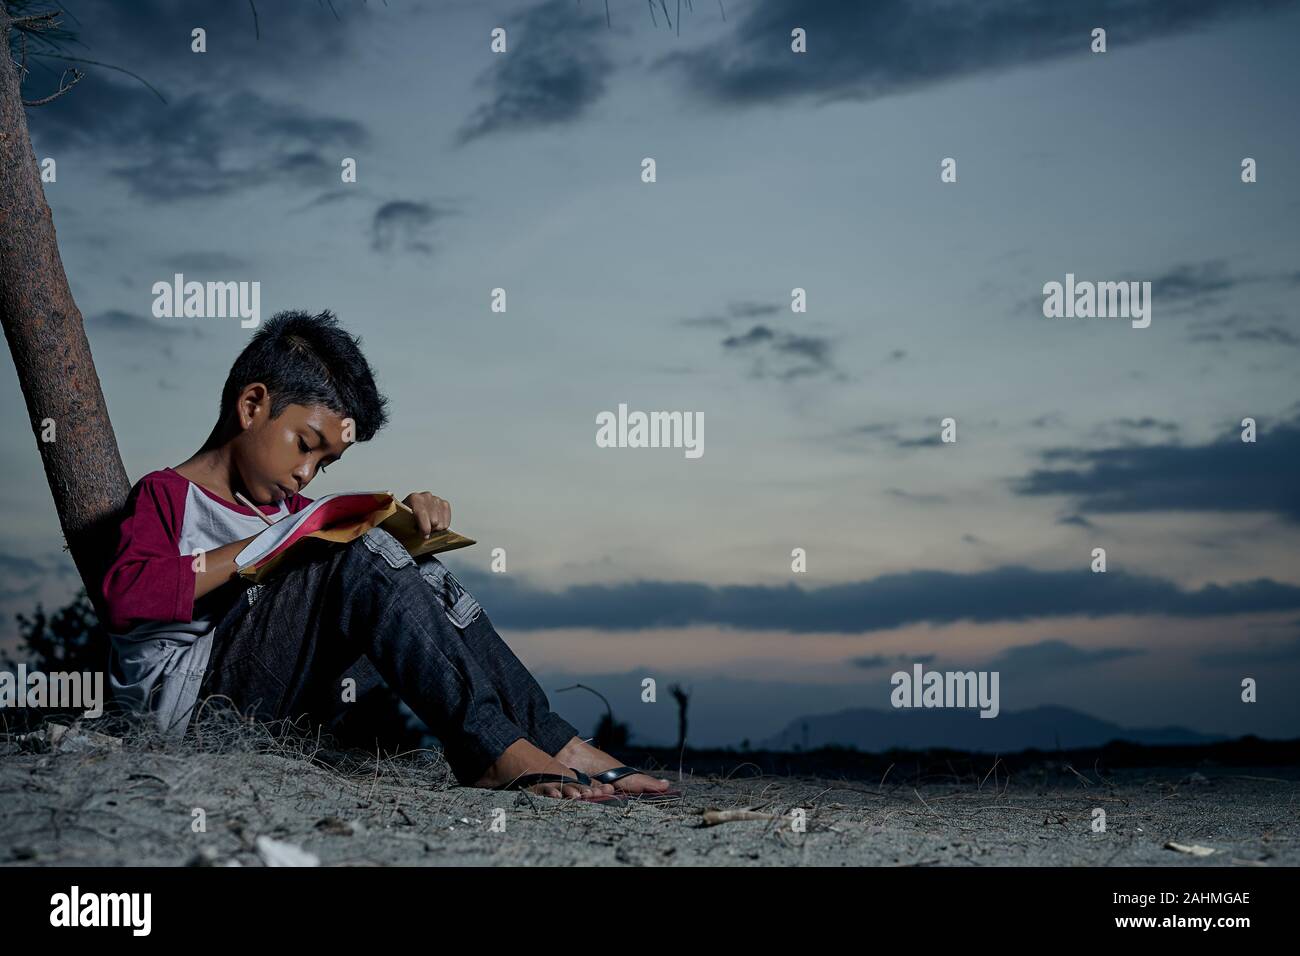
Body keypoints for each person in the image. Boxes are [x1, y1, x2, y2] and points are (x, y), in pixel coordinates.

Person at [100, 309, 676, 803]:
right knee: (355, 556)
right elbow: (126, 596)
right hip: (190, 708)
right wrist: (280, 542)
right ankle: (489, 750)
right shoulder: (165, 493)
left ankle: (555, 739)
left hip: (276, 704)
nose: (306, 472)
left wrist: (402, 532)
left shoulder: (288, 507)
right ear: (253, 405)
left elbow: (351, 583)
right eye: (304, 445)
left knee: (416, 567)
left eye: (325, 465)